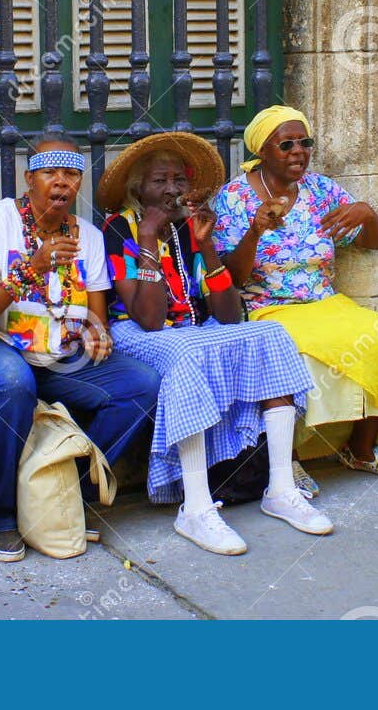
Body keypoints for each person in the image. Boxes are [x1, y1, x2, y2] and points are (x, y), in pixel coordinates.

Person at [98, 132, 329, 555]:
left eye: (178, 181)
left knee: (270, 335)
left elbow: (225, 313)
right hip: (138, 332)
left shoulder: (191, 227)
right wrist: (148, 239)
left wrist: (206, 245)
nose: (171, 190)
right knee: (186, 353)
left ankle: (280, 487)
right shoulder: (119, 228)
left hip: (195, 326)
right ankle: (197, 509)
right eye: (159, 182)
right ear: (138, 189)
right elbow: (148, 319)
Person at [0, 132, 161, 563]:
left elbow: (97, 315)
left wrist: (96, 333)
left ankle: (66, 498)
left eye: (71, 174)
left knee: (141, 384)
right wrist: (30, 269)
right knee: (13, 381)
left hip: (60, 357)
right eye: (50, 173)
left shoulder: (86, 234)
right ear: (29, 180)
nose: (61, 183)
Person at [212, 106, 378, 488]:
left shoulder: (321, 190)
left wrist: (368, 214)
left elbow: (375, 242)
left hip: (324, 302)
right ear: (263, 151)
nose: (298, 151)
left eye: (305, 142)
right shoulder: (234, 198)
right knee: (293, 351)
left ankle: (361, 450)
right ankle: (287, 460)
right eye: (286, 144)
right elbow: (230, 277)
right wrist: (255, 231)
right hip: (267, 307)